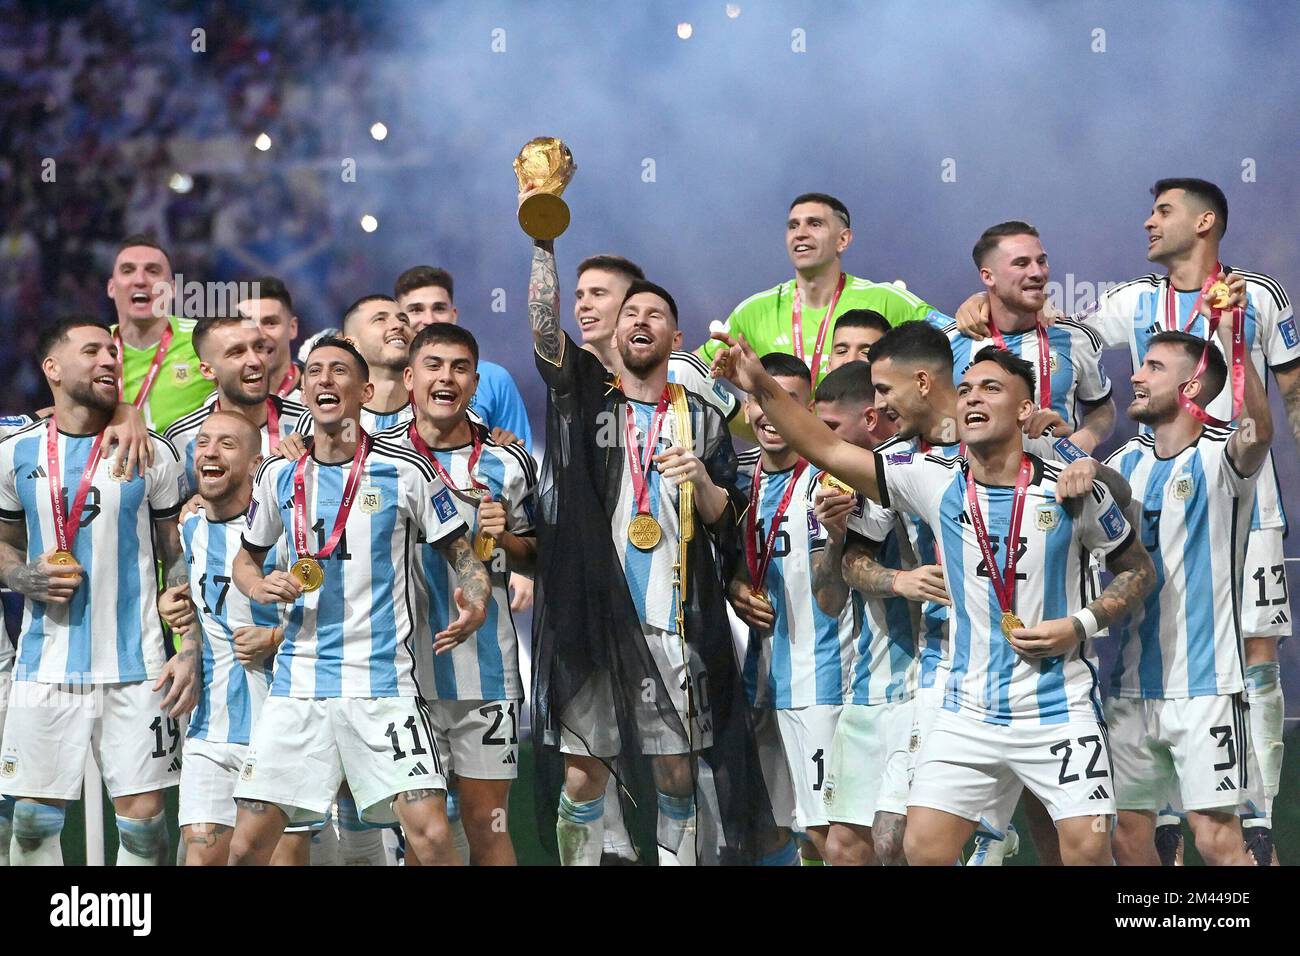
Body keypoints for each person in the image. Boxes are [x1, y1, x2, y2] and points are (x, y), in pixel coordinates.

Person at [712, 332, 1157, 865]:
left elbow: (1136, 568)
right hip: (962, 704)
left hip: (1057, 705)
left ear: (1023, 410)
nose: (971, 397)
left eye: (990, 388)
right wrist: (759, 384)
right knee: (919, 849)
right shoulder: (929, 478)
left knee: (1085, 853)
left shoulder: (1067, 480)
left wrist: (1079, 625)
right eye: (966, 388)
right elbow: (826, 447)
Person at [955, 180, 1299, 861]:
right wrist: (985, 301)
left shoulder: (1257, 293)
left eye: (1162, 211)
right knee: (1150, 612)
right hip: (1156, 484)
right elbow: (1061, 335)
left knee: (1253, 645)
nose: (1148, 222)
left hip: (1241, 490)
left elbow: (1288, 396)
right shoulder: (1133, 301)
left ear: (1204, 222)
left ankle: (1254, 805)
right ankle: (1166, 805)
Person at [526, 233, 772, 866]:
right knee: (585, 776)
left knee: (676, 776)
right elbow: (543, 331)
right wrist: (543, 239)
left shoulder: (706, 417)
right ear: (614, 332)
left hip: (675, 623)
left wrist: (705, 483)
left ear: (675, 337)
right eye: (629, 311)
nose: (639, 320)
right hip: (594, 622)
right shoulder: (583, 394)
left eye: (654, 314)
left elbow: (727, 520)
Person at [226, 336, 491, 866]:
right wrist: (258, 587)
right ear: (301, 390)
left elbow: (464, 555)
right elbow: (245, 560)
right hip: (298, 687)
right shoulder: (278, 474)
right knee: (248, 845)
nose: (325, 380)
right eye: (314, 372)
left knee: (434, 838)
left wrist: (477, 600)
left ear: (365, 391)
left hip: (383, 687)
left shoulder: (408, 471)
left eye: (339, 371)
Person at [0, 318, 196, 865]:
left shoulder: (154, 452)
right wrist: (19, 576)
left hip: (138, 667)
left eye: (113, 352)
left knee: (144, 828)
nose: (110, 360)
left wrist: (189, 640)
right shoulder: (13, 452)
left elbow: (175, 553)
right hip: (45, 665)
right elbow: (3, 542)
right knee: (33, 823)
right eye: (93, 352)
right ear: (52, 369)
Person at [1103, 327, 1271, 866]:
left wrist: (1235, 338)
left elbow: (1260, 432)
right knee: (1130, 835)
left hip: (1206, 687)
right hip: (1129, 684)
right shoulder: (1127, 460)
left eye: (1153, 366)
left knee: (1215, 837)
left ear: (1193, 386)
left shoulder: (1225, 455)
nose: (1135, 374)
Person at [380, 323, 539, 865]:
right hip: (399, 677)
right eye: (433, 365)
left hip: (486, 674)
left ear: (475, 382)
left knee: (486, 825)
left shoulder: (509, 462)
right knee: (418, 834)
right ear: (409, 378)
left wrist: (507, 538)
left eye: (459, 368)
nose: (445, 377)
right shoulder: (375, 459)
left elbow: (540, 557)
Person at [160, 412, 321, 865]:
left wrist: (275, 636)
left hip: (281, 724)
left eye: (227, 444)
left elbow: (339, 616)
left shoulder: (289, 535)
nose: (209, 452)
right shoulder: (189, 527)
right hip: (212, 725)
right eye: (203, 443)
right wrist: (173, 607)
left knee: (277, 859)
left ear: (256, 465)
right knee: (201, 854)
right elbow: (188, 590)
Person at [802, 362, 935, 866]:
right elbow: (829, 600)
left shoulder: (917, 469)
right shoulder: (830, 491)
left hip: (925, 683)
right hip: (868, 686)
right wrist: (836, 539)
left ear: (872, 419)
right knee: (844, 847)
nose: (821, 441)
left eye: (831, 429)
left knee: (896, 840)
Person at [730, 352, 857, 864]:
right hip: (759, 680)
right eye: (759, 399)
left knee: (830, 831)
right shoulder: (736, 476)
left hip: (821, 679)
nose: (770, 414)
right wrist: (736, 587)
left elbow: (841, 578)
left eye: (784, 402)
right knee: (777, 825)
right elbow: (732, 560)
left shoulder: (831, 478)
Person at [697, 193, 951, 384]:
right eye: (793, 226)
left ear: (843, 239)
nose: (800, 234)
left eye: (814, 224)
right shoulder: (753, 311)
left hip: (868, 451)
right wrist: (738, 412)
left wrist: (979, 304)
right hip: (788, 451)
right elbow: (691, 373)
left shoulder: (886, 300)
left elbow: (960, 344)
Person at [945, 222, 1115, 452]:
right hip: (974, 482)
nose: (1037, 273)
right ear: (988, 276)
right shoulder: (953, 341)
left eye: (1041, 261)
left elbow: (1101, 406)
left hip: (1059, 482)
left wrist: (1089, 436)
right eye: (1021, 263)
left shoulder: (1075, 337)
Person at [573, 254, 739, 424]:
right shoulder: (578, 379)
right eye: (579, 296)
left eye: (598, 294)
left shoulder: (681, 370)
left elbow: (751, 433)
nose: (583, 305)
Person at [394, 266, 534, 450]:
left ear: (453, 315)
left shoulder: (494, 378)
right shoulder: (381, 377)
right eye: (416, 310)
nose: (428, 319)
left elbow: (521, 460)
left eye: (439, 308)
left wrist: (511, 447)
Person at [164, 315, 307, 493]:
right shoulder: (181, 439)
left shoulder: (306, 425)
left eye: (259, 347)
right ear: (208, 370)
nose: (255, 361)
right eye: (237, 352)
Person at [107, 234, 215, 431]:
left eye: (152, 271)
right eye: (128, 270)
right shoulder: (95, 346)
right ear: (111, 287)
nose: (140, 280)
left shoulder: (205, 339)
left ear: (172, 289)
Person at [237, 276, 303, 400]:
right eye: (248, 324)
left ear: (292, 328)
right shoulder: (218, 403)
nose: (259, 335)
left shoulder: (321, 394)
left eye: (270, 323)